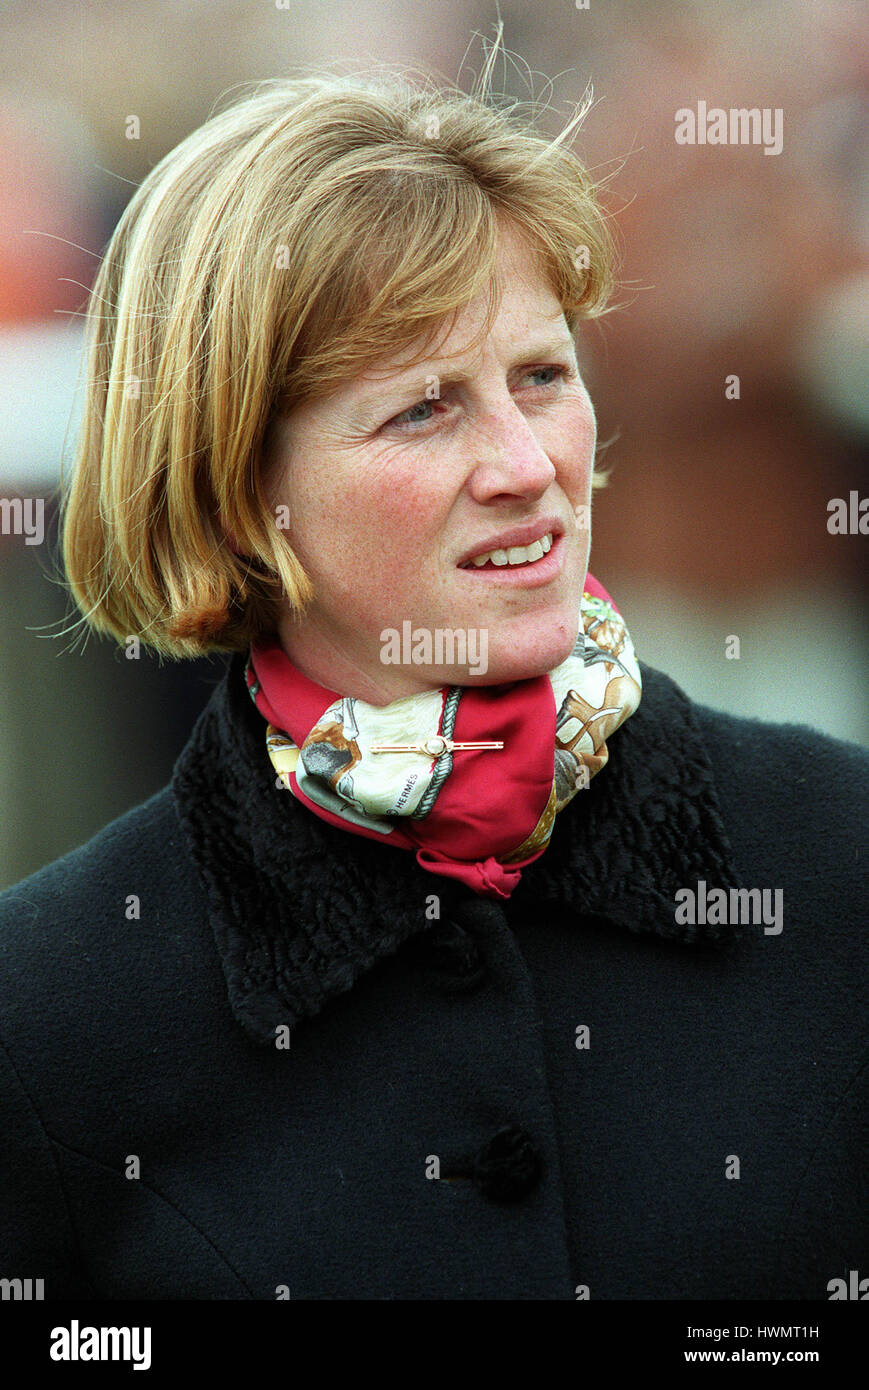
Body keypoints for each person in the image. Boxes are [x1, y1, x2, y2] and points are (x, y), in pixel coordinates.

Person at [0, 50, 865, 1302]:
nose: (525, 463)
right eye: (421, 410)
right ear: (242, 494)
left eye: (540, 376)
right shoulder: (54, 1013)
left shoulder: (834, 855)